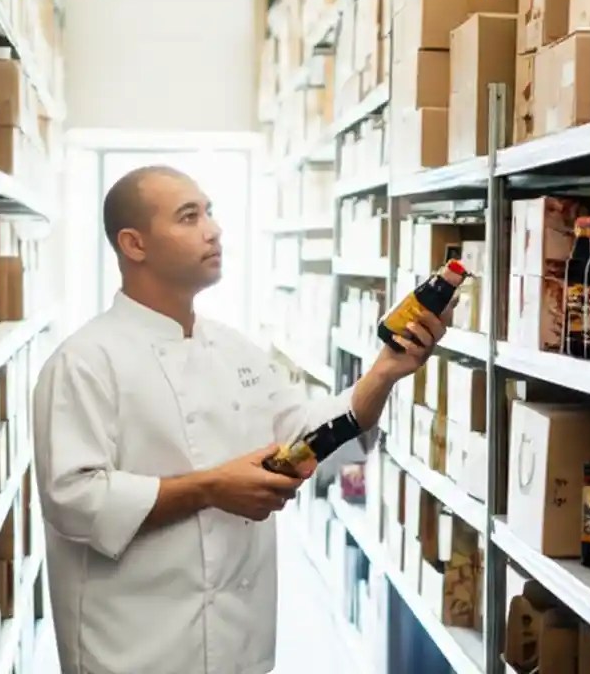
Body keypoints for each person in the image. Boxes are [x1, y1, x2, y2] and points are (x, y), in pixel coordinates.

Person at [33, 165, 450, 674]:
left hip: (239, 649)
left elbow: (305, 436)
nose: (213, 229)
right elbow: (72, 502)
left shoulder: (236, 350)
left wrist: (384, 373)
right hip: (131, 654)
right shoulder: (83, 362)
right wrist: (210, 488)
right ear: (134, 244)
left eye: (210, 212)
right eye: (189, 217)